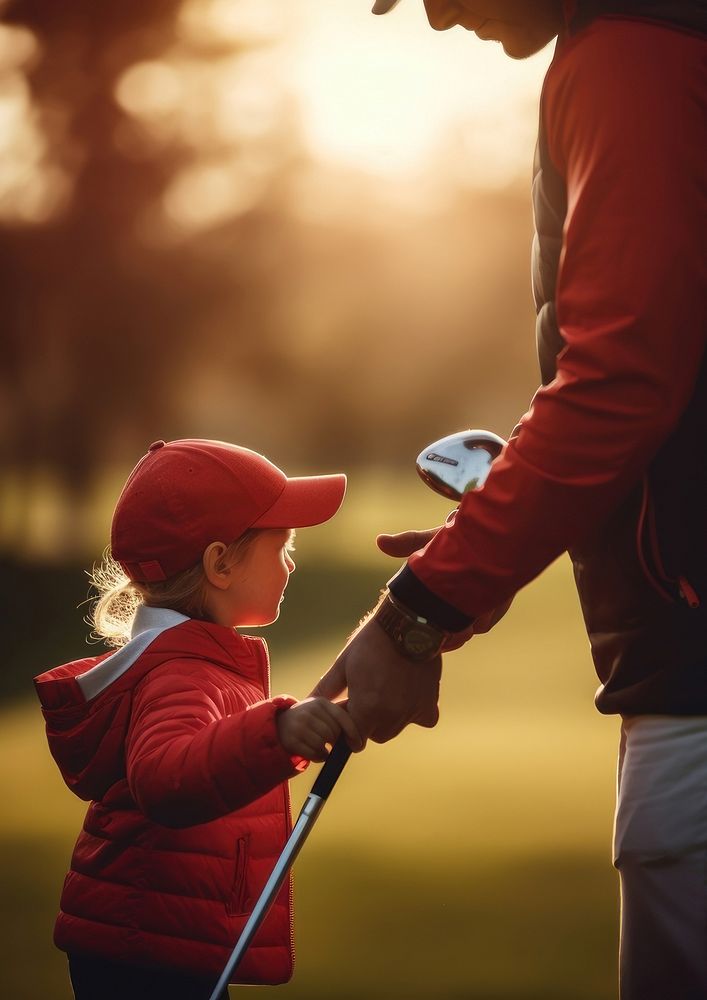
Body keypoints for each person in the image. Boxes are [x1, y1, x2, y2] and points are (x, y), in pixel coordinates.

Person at [314, 2, 707, 998]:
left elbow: (618, 384)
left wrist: (415, 612)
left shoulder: (630, 50)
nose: (439, 16)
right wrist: (503, 517)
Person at [34, 438, 362, 1000]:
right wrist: (275, 732)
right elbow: (164, 778)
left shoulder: (194, 659)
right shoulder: (183, 672)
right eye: (280, 544)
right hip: (145, 956)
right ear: (219, 564)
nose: (290, 561)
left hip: (151, 941)